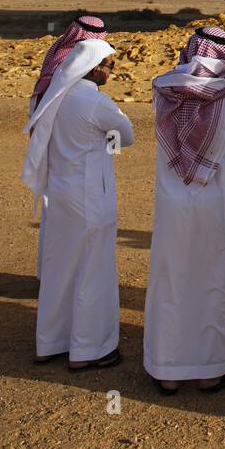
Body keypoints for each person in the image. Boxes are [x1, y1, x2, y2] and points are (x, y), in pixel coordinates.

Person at [144, 26, 225, 395]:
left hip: (174, 204)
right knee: (215, 279)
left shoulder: (163, 89)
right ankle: (212, 370)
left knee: (173, 277)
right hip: (217, 203)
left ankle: (168, 369)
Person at [21, 38, 134, 370]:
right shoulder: (95, 102)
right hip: (90, 199)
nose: (112, 72)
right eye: (110, 66)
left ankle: (50, 343)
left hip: (58, 197)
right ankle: (89, 350)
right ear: (96, 68)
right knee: (93, 272)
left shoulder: (57, 97)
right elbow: (126, 135)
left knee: (59, 269)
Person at [28, 14, 107, 277]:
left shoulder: (57, 55)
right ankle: (57, 274)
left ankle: (50, 272)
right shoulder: (70, 63)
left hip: (54, 138)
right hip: (66, 142)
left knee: (56, 209)